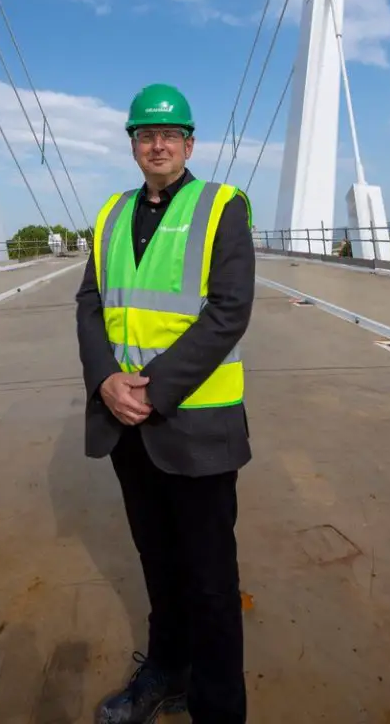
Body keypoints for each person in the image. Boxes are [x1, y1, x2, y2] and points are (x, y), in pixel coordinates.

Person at [75, 83, 255, 724]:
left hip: (196, 426)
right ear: (132, 145)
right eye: (146, 135)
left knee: (209, 581)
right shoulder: (110, 214)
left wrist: (150, 390)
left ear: (189, 144)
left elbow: (229, 310)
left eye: (170, 135)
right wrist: (104, 381)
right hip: (126, 426)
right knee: (158, 564)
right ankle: (166, 673)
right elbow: (91, 302)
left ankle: (218, 708)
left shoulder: (223, 207)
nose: (158, 145)